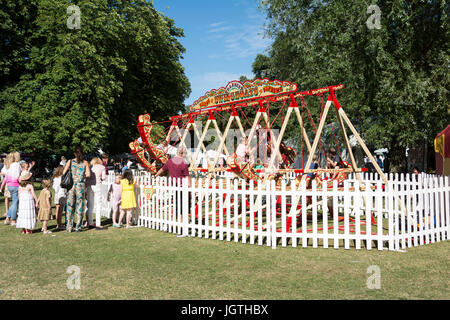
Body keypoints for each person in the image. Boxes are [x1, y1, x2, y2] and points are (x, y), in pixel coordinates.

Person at [62, 145, 91, 232]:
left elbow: (64, 172)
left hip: (71, 186)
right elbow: (89, 174)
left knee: (70, 206)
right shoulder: (85, 163)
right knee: (80, 206)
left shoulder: (70, 161)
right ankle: (78, 226)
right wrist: (82, 176)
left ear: (75, 153)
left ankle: (69, 226)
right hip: (80, 186)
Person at [85, 157, 107, 229]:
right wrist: (102, 178)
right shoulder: (102, 167)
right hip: (97, 185)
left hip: (89, 185)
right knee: (98, 204)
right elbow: (103, 177)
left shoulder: (90, 167)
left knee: (90, 205)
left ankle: (90, 223)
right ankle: (98, 223)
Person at [5, 152, 22, 226]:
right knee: (15, 203)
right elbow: (18, 175)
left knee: (14, 202)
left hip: (9, 185)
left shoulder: (10, 165)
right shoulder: (17, 165)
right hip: (15, 185)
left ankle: (8, 218)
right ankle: (13, 220)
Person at [52, 165, 67, 230]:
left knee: (58, 210)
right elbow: (57, 187)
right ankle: (59, 224)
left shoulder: (55, 178)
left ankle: (58, 223)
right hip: (61, 194)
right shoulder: (61, 178)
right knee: (60, 211)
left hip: (57, 195)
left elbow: (54, 187)